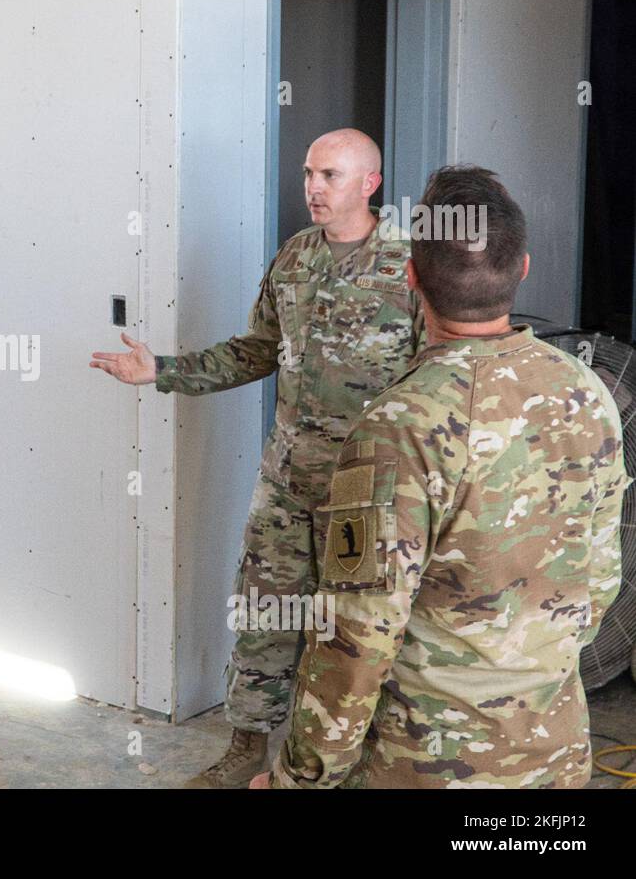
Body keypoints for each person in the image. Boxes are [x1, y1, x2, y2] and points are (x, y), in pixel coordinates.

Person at [254, 165, 629, 788]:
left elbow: (357, 636)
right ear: (524, 269)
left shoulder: (397, 427)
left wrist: (301, 776)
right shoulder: (587, 391)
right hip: (556, 754)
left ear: (410, 280)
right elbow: (598, 582)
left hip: (429, 764)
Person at [90, 129, 425, 787]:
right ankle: (247, 746)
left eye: (329, 175)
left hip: (366, 491)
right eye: (308, 172)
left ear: (370, 184)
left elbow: (436, 376)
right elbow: (256, 350)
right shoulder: (295, 257)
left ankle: (353, 760)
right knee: (263, 613)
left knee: (356, 631)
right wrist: (161, 370)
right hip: (286, 484)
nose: (312, 187)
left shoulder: (410, 264)